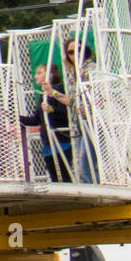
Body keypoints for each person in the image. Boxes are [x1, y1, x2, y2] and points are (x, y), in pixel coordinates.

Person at [53, 39, 99, 182]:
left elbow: (98, 88)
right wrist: (52, 92)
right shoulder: (73, 75)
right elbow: (71, 101)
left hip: (91, 122)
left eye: (78, 50)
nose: (75, 55)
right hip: (79, 124)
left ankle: (97, 192)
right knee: (80, 167)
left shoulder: (90, 68)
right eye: (71, 53)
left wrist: (90, 111)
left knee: (86, 167)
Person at [18, 64, 72, 182]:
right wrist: (17, 118)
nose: (35, 76)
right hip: (48, 143)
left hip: (60, 140)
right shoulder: (42, 96)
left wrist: (51, 109)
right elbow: (36, 120)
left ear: (50, 76)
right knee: (54, 177)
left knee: (64, 175)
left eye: (39, 73)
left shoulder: (57, 90)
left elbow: (66, 114)